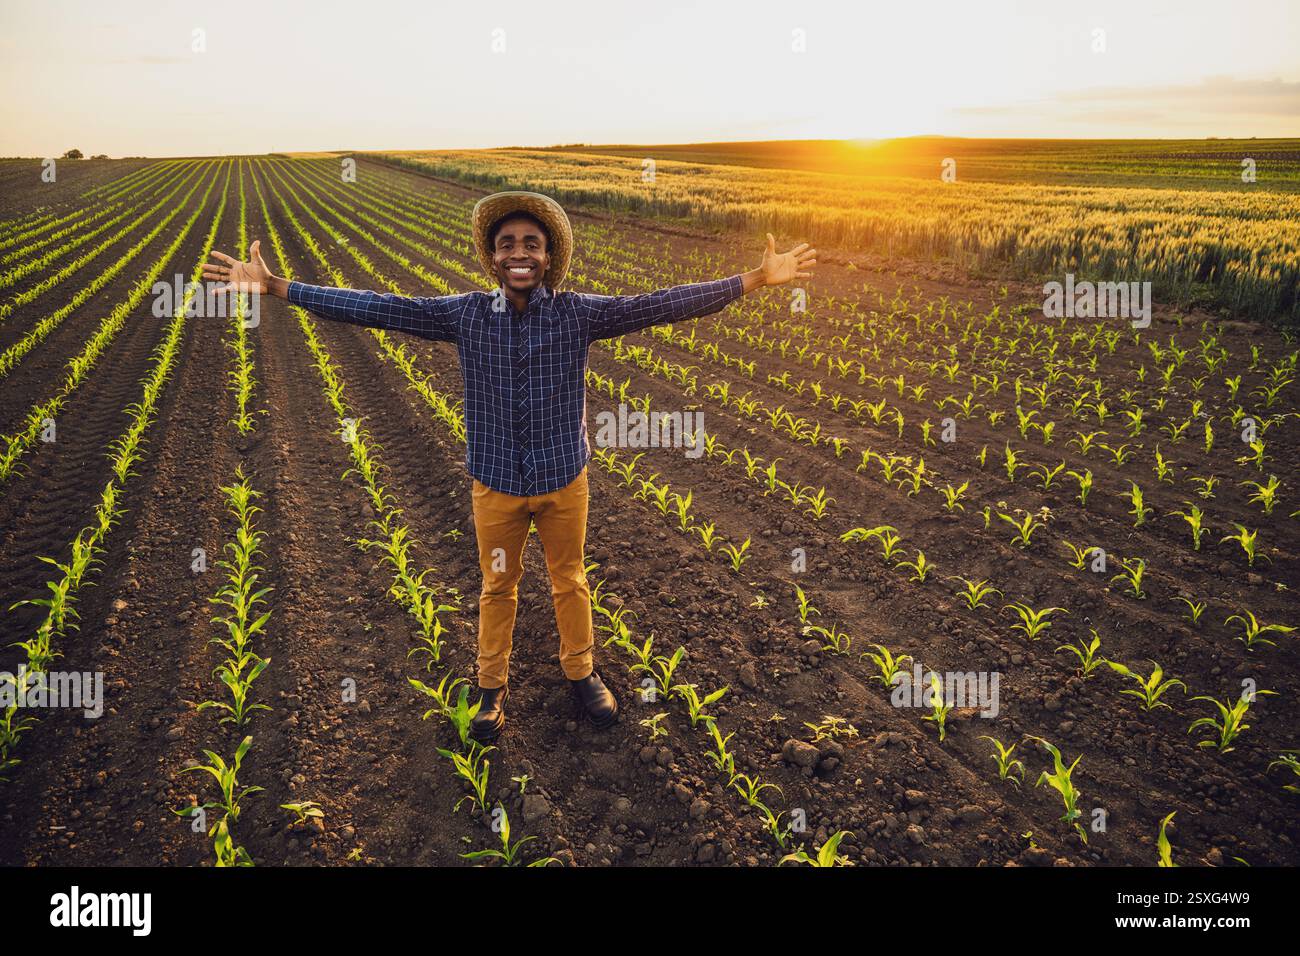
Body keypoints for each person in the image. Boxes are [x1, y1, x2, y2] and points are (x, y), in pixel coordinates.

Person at [204, 190, 816, 742]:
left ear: (548, 256)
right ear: (492, 259)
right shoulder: (464, 315)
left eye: (531, 243)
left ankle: (581, 671)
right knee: (497, 586)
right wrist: (280, 287)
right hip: (494, 483)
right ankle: (490, 686)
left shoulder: (579, 314)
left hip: (562, 480)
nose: (519, 252)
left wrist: (757, 279)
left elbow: (660, 304)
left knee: (569, 579)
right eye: (507, 244)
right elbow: (375, 306)